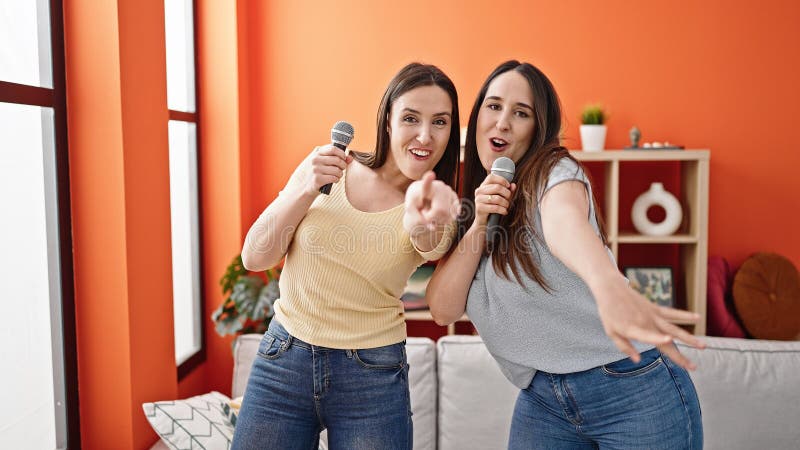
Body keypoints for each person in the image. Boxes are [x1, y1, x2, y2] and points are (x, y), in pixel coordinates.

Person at [424, 60, 705, 449]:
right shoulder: (469, 209)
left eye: (520, 113)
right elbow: (442, 310)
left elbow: (564, 224)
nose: (503, 122)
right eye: (493, 106)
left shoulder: (555, 173)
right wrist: (478, 225)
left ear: (538, 130)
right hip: (545, 400)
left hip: (633, 388)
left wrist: (606, 284)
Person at [231, 63, 461, 450]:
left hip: (371, 377)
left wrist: (423, 220)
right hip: (283, 360)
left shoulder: (435, 204)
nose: (425, 135)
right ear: (387, 120)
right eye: (410, 118)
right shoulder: (328, 166)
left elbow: (428, 237)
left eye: (440, 122)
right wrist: (306, 187)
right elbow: (255, 257)